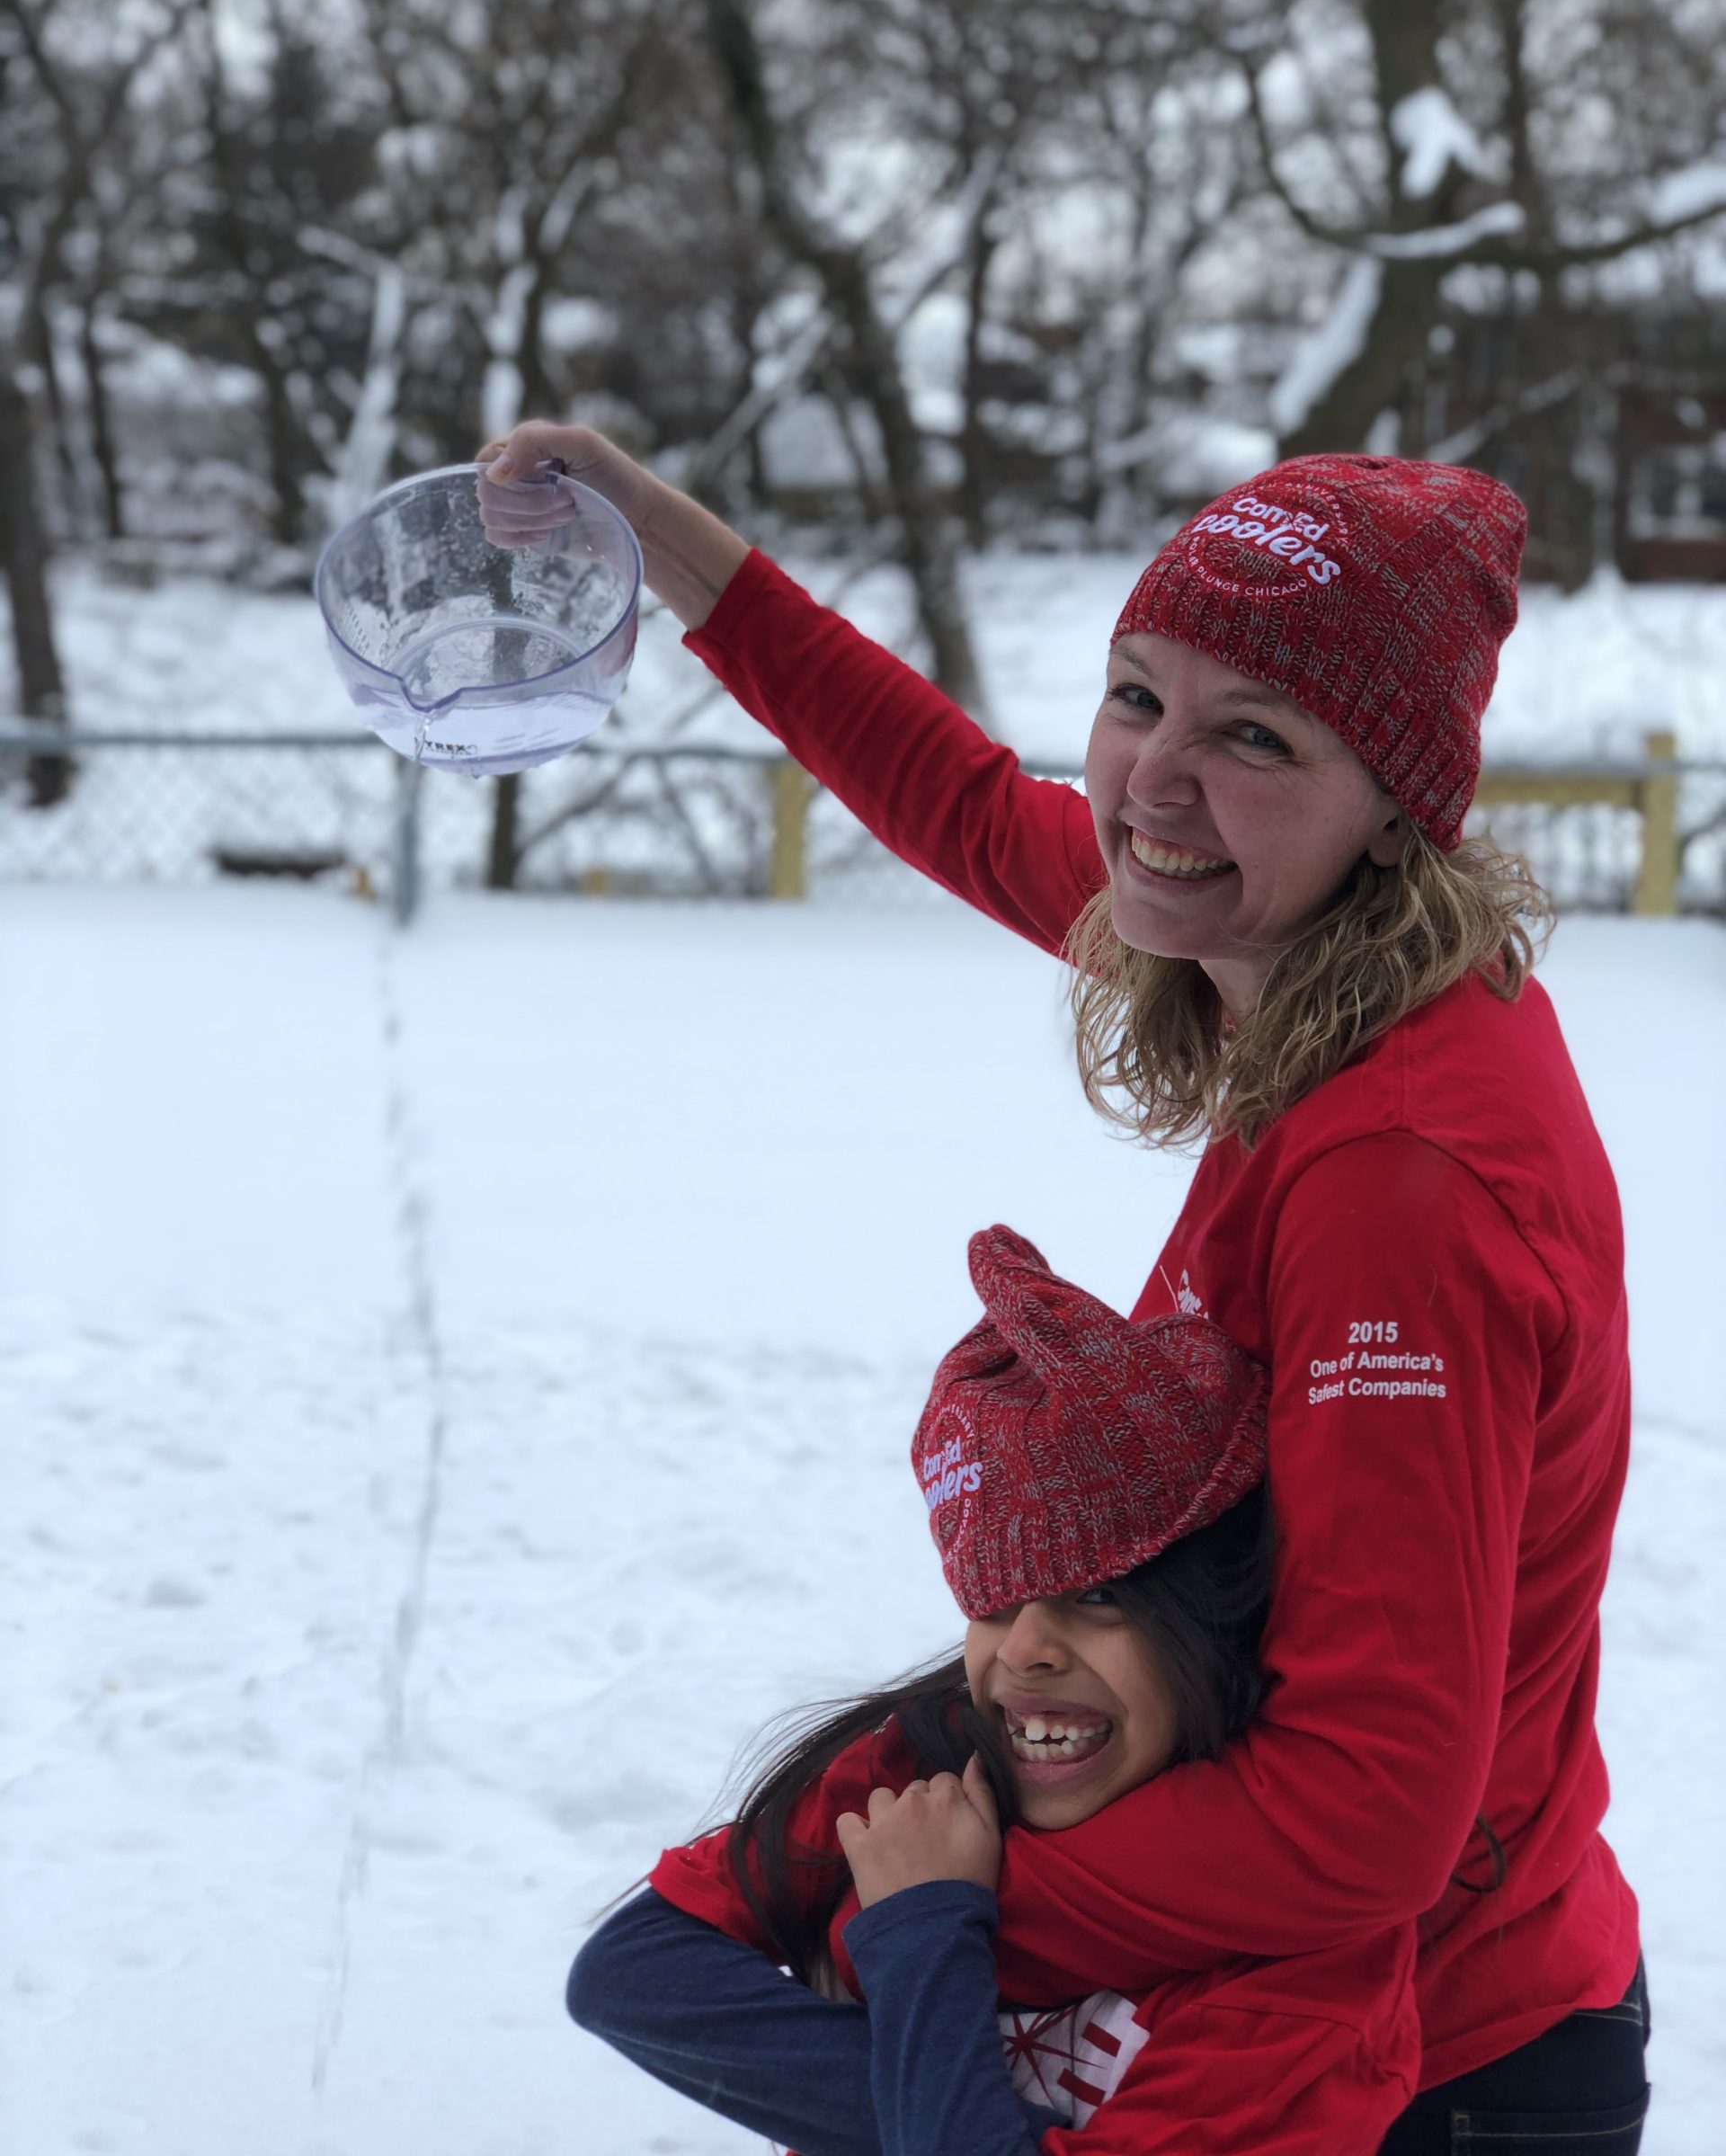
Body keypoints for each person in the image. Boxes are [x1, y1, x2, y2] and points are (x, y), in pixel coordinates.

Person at [478, 432, 1651, 2153]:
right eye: (1135, 698)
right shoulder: (1297, 950)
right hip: (1252, 2003)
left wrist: (929, 1925)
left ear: (1399, 801)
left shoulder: (1402, 1182)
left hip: (1427, 2066)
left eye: (1255, 734)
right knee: (666, 1975)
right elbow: (967, 804)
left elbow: (1373, 1811)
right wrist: (666, 546)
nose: (1153, 785)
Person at [571, 1223, 1420, 2154]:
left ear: (1212, 1619)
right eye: (995, 1600)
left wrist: (922, 1934)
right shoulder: (930, 1766)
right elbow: (633, 1971)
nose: (1024, 1651)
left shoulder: (1305, 1976)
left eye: (1098, 1596)